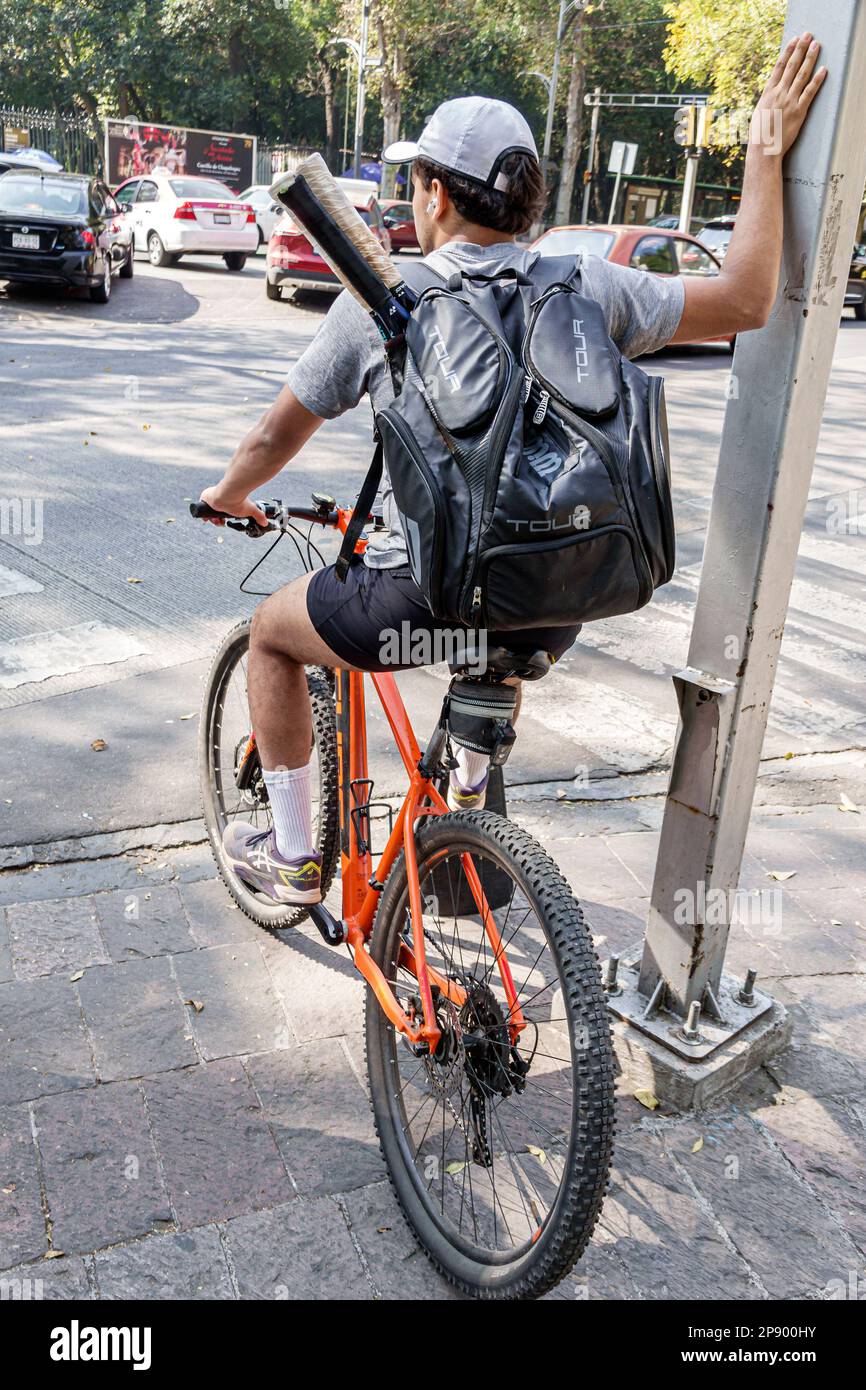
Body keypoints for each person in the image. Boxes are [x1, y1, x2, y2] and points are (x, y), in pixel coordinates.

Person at [198, 34, 826, 906]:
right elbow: (750, 298)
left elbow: (274, 438)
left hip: (429, 605)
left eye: (416, 180)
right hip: (570, 595)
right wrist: (765, 151)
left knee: (272, 631)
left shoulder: (387, 303)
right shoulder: (590, 288)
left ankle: (296, 856)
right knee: (509, 613)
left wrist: (227, 496)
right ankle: (464, 813)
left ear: (435, 192)